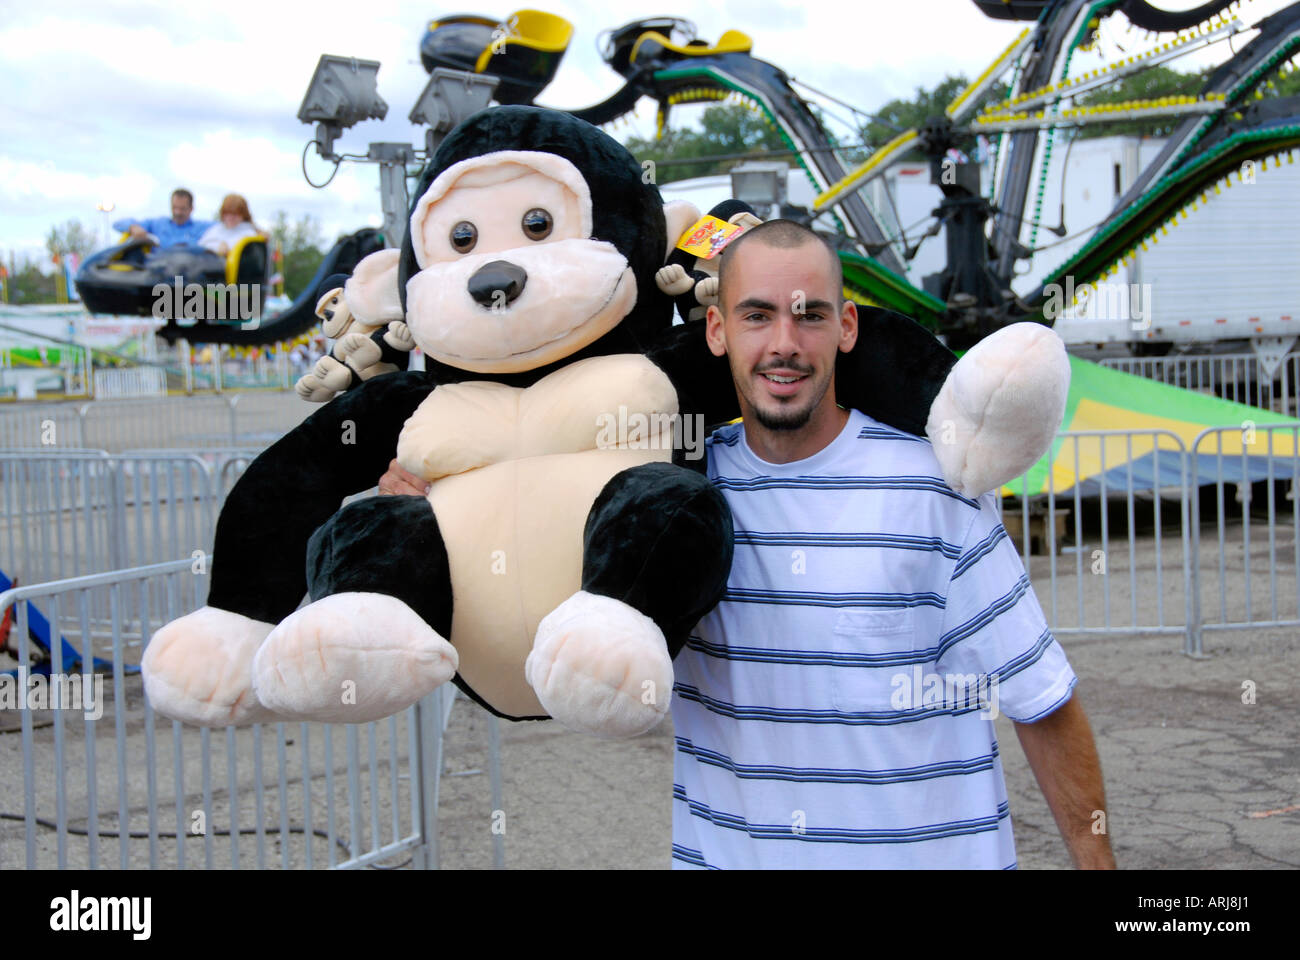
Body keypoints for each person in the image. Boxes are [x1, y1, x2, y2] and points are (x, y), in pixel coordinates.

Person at [374, 219, 1114, 870]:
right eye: (757, 316)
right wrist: (442, 520)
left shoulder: (934, 489)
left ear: (847, 328)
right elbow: (522, 595)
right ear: (718, 331)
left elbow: (1041, 700)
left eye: (809, 316)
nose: (783, 345)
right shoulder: (663, 497)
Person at [113, 188, 212, 247]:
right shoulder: (157, 224)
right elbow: (118, 223)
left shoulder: (204, 227)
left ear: (191, 208)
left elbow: (225, 227)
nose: (177, 212)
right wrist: (132, 227)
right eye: (174, 208)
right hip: (158, 275)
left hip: (193, 276)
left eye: (182, 209)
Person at [198, 194, 263, 256]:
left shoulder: (250, 234)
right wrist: (217, 247)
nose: (230, 218)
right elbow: (200, 245)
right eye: (227, 213)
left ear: (244, 215)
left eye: (235, 214)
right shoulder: (215, 229)